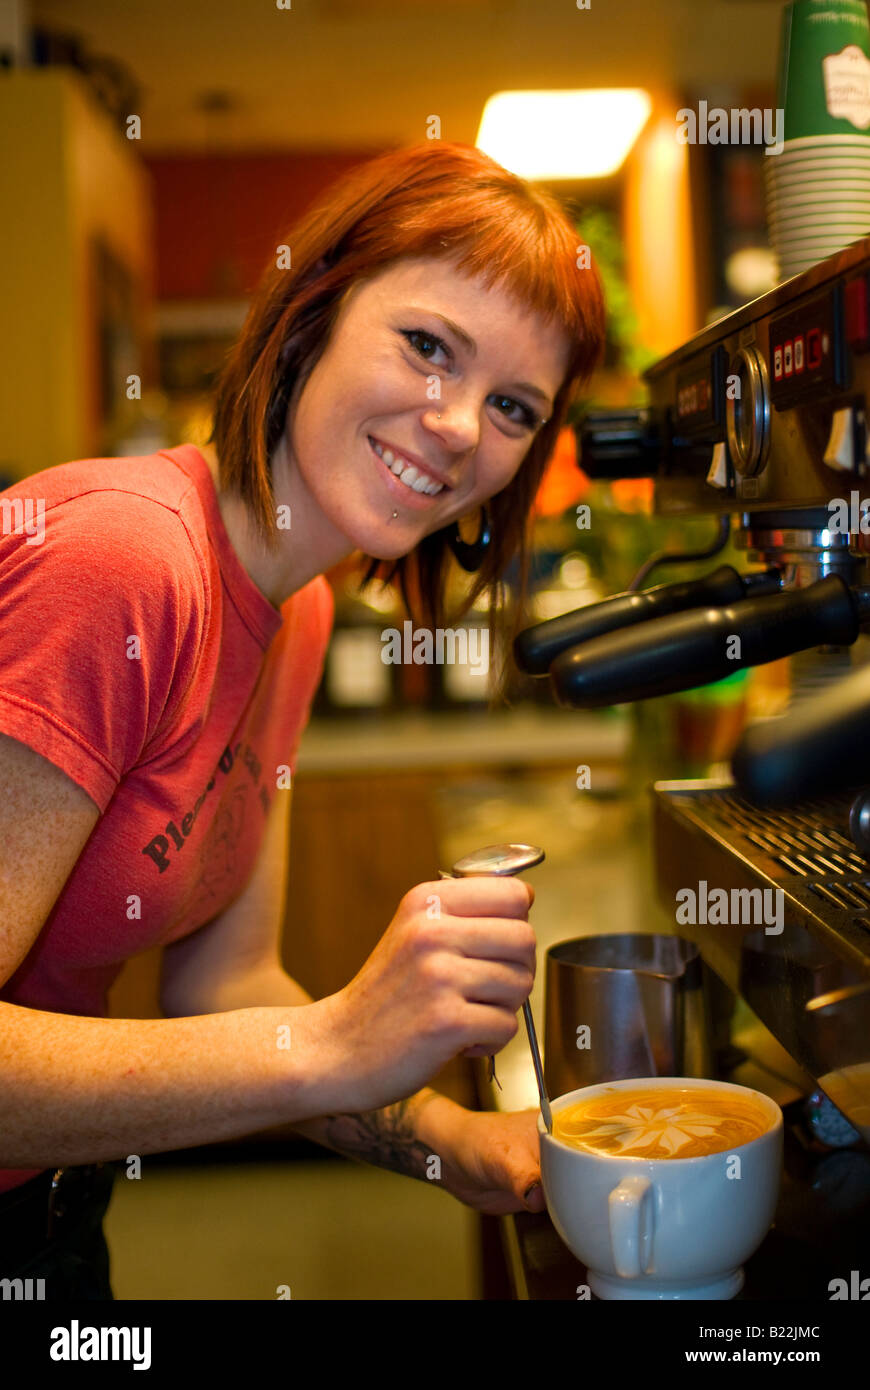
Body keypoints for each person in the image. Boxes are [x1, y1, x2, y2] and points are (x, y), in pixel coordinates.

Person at [0, 140, 605, 1299]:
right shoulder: (122, 562)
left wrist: (449, 1138)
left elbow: (226, 990)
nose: (461, 424)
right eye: (429, 346)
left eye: (515, 406)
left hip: (51, 1206)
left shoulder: (297, 609)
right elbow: (307, 1041)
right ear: (312, 309)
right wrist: (342, 1038)